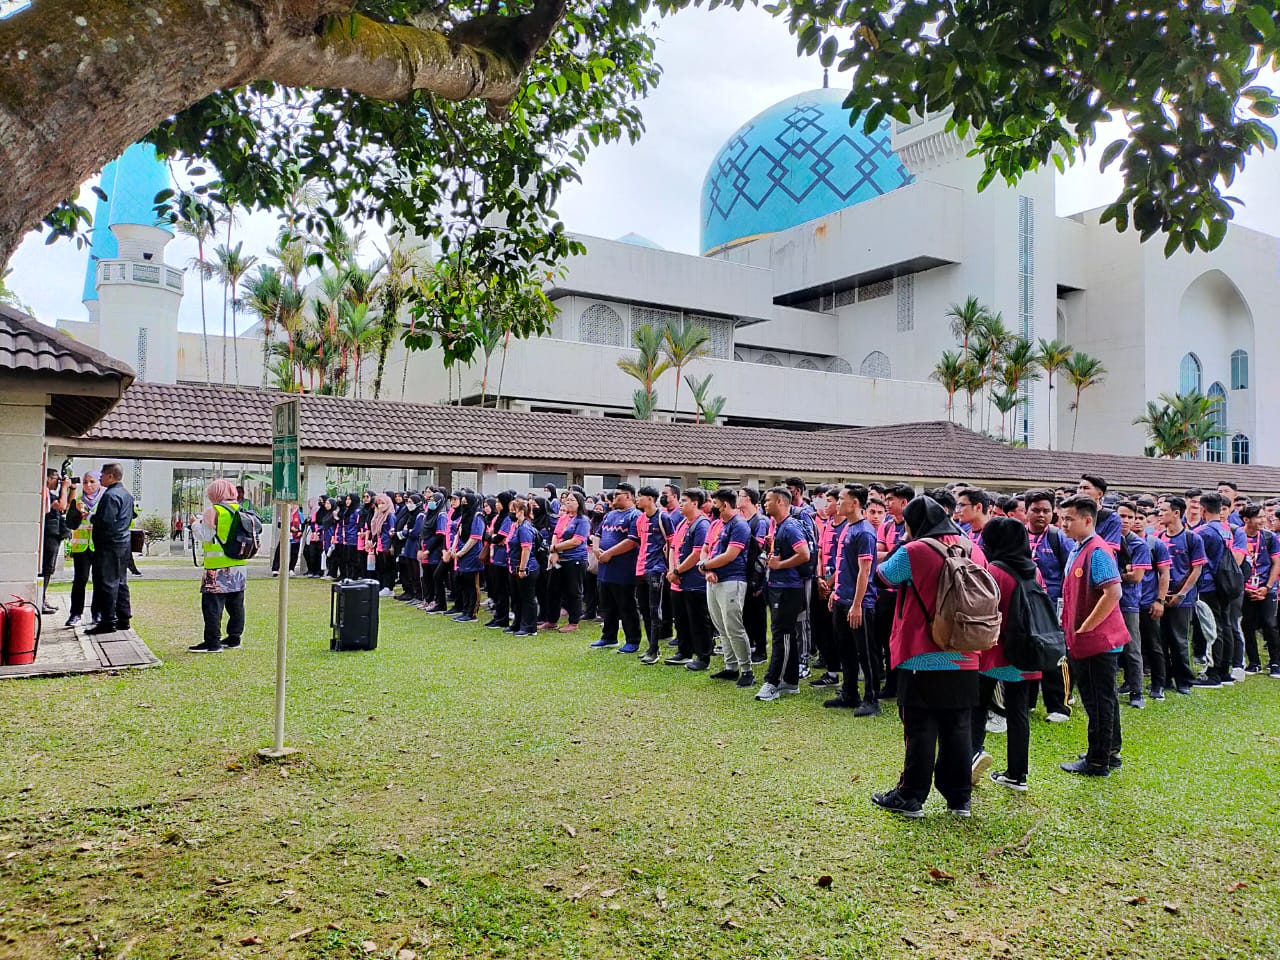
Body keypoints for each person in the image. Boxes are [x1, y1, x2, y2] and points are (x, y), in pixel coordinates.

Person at [871, 495, 982, 818]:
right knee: (959, 727)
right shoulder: (971, 547)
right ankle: (959, 799)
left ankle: (910, 796)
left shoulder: (915, 550)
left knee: (920, 728)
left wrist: (905, 541)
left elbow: (884, 577)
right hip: (964, 652)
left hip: (921, 652)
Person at [1057, 495, 1128, 777]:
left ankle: (1098, 761)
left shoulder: (1097, 551)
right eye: (1062, 518)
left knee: (1097, 700)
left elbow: (1114, 593)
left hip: (1096, 640)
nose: (1063, 524)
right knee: (1104, 697)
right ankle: (1110, 750)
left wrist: (1086, 627)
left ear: (1088, 520)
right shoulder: (1079, 547)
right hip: (1089, 638)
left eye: (1069, 519)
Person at [973, 517, 1042, 791]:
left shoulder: (994, 570)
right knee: (1018, 712)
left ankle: (973, 754)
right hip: (1026, 651)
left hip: (997, 651)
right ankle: (1017, 774)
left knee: (977, 705)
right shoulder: (1033, 570)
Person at [826, 483, 880, 715]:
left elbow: (864, 571)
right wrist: (835, 593)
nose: (838, 503)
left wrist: (857, 604)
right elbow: (843, 566)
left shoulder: (864, 532)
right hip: (842, 599)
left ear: (855, 503)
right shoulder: (847, 527)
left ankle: (872, 699)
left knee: (866, 652)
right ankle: (849, 693)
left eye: (841, 499)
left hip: (860, 603)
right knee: (845, 649)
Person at [757, 486, 810, 701]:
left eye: (768, 500)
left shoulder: (790, 527)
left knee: (783, 636)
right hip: (778, 587)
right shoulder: (779, 526)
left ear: (780, 502)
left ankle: (773, 681)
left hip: (788, 589)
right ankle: (790, 681)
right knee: (782, 634)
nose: (764, 504)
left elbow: (804, 554)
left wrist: (780, 565)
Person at [187, 478, 247, 652]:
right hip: (239, 565)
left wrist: (194, 524)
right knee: (236, 604)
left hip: (217, 566)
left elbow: (205, 536)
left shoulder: (214, 511)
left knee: (212, 605)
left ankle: (213, 642)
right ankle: (234, 638)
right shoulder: (239, 509)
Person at [700, 488, 753, 684]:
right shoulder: (715, 524)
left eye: (715, 504)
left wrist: (705, 565)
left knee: (734, 627)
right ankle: (730, 666)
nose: (712, 507)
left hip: (732, 579)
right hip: (713, 580)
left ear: (724, 504)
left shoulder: (739, 525)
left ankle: (746, 669)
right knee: (720, 625)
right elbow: (706, 549)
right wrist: (706, 569)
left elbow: (731, 555)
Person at [1157, 495, 1204, 696]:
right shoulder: (1158, 538)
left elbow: (1197, 569)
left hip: (1182, 598)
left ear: (1176, 513)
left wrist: (1182, 594)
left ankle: (1184, 679)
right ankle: (1165, 678)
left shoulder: (1193, 538)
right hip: (1160, 597)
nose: (1159, 513)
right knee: (1161, 639)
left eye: (1163, 510)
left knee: (1179, 639)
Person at [590, 483, 641, 652]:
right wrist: (597, 550)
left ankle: (632, 639)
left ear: (628, 496)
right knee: (607, 605)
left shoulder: (635, 515)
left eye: (618, 494)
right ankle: (608, 636)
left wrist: (610, 553)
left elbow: (632, 541)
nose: (614, 497)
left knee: (626, 606)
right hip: (605, 570)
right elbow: (597, 534)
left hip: (623, 570)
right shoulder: (609, 515)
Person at [666, 488, 714, 669]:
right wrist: (672, 571)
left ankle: (703, 656)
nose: (680, 504)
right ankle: (684, 651)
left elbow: (697, 554)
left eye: (684, 501)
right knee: (681, 619)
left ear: (695, 503)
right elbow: (672, 548)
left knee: (698, 620)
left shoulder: (701, 524)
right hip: (678, 581)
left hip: (694, 581)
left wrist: (677, 571)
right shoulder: (682, 523)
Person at [1115, 500, 1152, 709]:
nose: (1126, 521)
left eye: (1130, 517)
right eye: (1122, 516)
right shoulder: (1108, 541)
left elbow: (1136, 576)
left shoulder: (1139, 545)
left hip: (1128, 601)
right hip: (1107, 600)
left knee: (1132, 648)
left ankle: (1137, 692)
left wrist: (1114, 576)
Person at [632, 485, 674, 660]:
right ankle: (651, 646)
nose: (637, 499)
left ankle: (654, 649)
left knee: (654, 609)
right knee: (644, 609)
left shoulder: (663, 518)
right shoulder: (640, 519)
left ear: (650, 499)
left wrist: (671, 567)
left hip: (656, 569)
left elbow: (672, 543)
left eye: (640, 496)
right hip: (640, 568)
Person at [1239, 504, 1280, 677]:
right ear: (1246, 519)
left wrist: (1267, 587)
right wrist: (1244, 588)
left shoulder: (1269, 537)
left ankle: (1276, 662)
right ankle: (1254, 662)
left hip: (1266, 588)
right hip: (1245, 589)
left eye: (1264, 516)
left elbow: (1276, 563)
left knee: (1270, 624)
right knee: (1247, 625)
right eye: (1259, 517)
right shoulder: (1238, 536)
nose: (1263, 520)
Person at [63, 469, 102, 626]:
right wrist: (78, 514)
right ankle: (75, 614)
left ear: (99, 482)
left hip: (99, 547)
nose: (88, 485)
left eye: (92, 481)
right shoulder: (78, 500)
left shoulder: (105, 500)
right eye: (85, 482)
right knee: (80, 580)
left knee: (100, 581)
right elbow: (70, 524)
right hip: (81, 548)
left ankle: (97, 614)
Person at [548, 490, 590, 632]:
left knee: (573, 591)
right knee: (553, 589)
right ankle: (551, 620)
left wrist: (555, 548)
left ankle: (573, 622)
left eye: (572, 500)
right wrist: (554, 551)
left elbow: (576, 541)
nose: (568, 502)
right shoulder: (564, 518)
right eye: (567, 500)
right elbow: (556, 534)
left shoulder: (583, 520)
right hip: (560, 560)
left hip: (575, 560)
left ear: (579, 503)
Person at [41, 466, 73, 614]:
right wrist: (64, 487)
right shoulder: (44, 493)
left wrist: (71, 489)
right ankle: (40, 600)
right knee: (46, 569)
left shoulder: (51, 494)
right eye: (56, 479)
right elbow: (61, 506)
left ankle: (42, 599)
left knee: (49, 569)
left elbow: (66, 507)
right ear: (48, 478)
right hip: (48, 535)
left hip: (55, 535)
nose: (58, 482)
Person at [450, 492, 485, 622]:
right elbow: (458, 534)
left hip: (472, 555)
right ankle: (464, 610)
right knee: (462, 583)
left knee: (472, 584)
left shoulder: (478, 517)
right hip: (461, 555)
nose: (464, 505)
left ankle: (472, 612)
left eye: (466, 503)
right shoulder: (463, 517)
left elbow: (475, 538)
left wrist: (461, 552)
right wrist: (453, 549)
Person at [508, 498, 540, 636]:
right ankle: (518, 623)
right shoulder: (517, 527)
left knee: (528, 598)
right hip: (514, 565)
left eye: (513, 511)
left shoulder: (525, 528)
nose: (511, 513)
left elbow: (526, 550)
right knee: (517, 597)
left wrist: (522, 568)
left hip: (527, 567)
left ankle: (529, 627)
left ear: (521, 512)